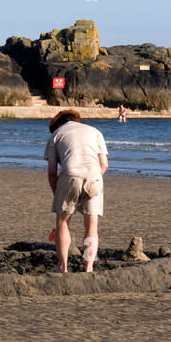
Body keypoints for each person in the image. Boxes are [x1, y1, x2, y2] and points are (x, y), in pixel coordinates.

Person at [45, 109, 109, 273]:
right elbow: (104, 165)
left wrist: (57, 193)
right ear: (77, 121)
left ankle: (63, 267)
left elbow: (52, 172)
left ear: (59, 123)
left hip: (70, 176)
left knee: (62, 223)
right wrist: (89, 179)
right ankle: (88, 268)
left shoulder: (56, 135)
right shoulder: (95, 132)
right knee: (91, 226)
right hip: (94, 176)